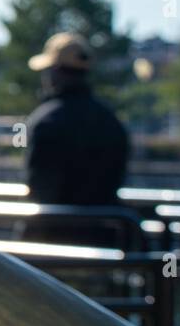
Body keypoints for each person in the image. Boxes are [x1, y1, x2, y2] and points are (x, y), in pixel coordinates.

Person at [24, 32, 129, 206]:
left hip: (49, 229)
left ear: (54, 72)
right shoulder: (111, 120)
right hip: (105, 228)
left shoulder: (46, 120)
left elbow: (39, 188)